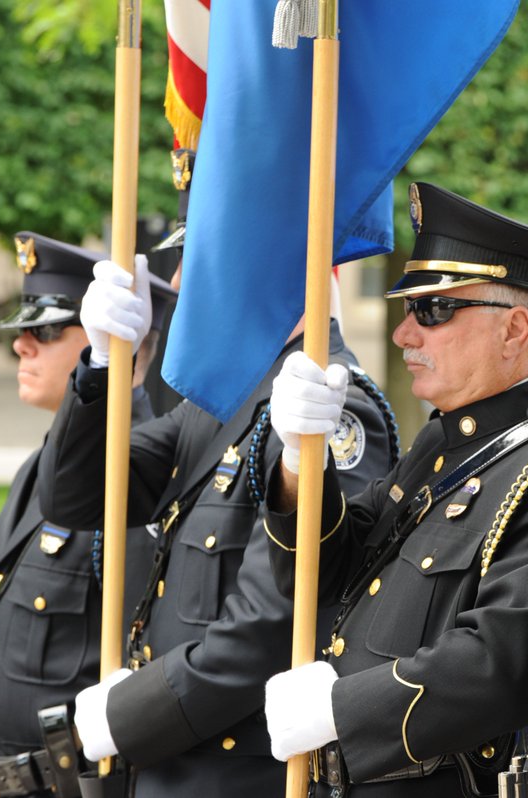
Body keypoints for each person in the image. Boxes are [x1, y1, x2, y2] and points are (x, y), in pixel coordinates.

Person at [262, 182, 528, 796]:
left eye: (433, 310)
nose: (403, 335)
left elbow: (499, 661)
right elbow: (325, 569)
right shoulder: (441, 447)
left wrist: (342, 709)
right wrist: (298, 464)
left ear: (514, 330)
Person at [33, 239, 396, 794]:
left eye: (202, 258)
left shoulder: (326, 404)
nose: (176, 284)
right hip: (168, 762)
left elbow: (279, 619)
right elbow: (77, 494)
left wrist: (129, 713)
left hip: (234, 774)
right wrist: (104, 367)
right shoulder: (220, 403)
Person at [0, 232, 176, 798]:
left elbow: (143, 653)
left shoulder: (137, 475)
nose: (21, 346)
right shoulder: (43, 463)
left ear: (122, 337)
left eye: (48, 330)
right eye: (23, 330)